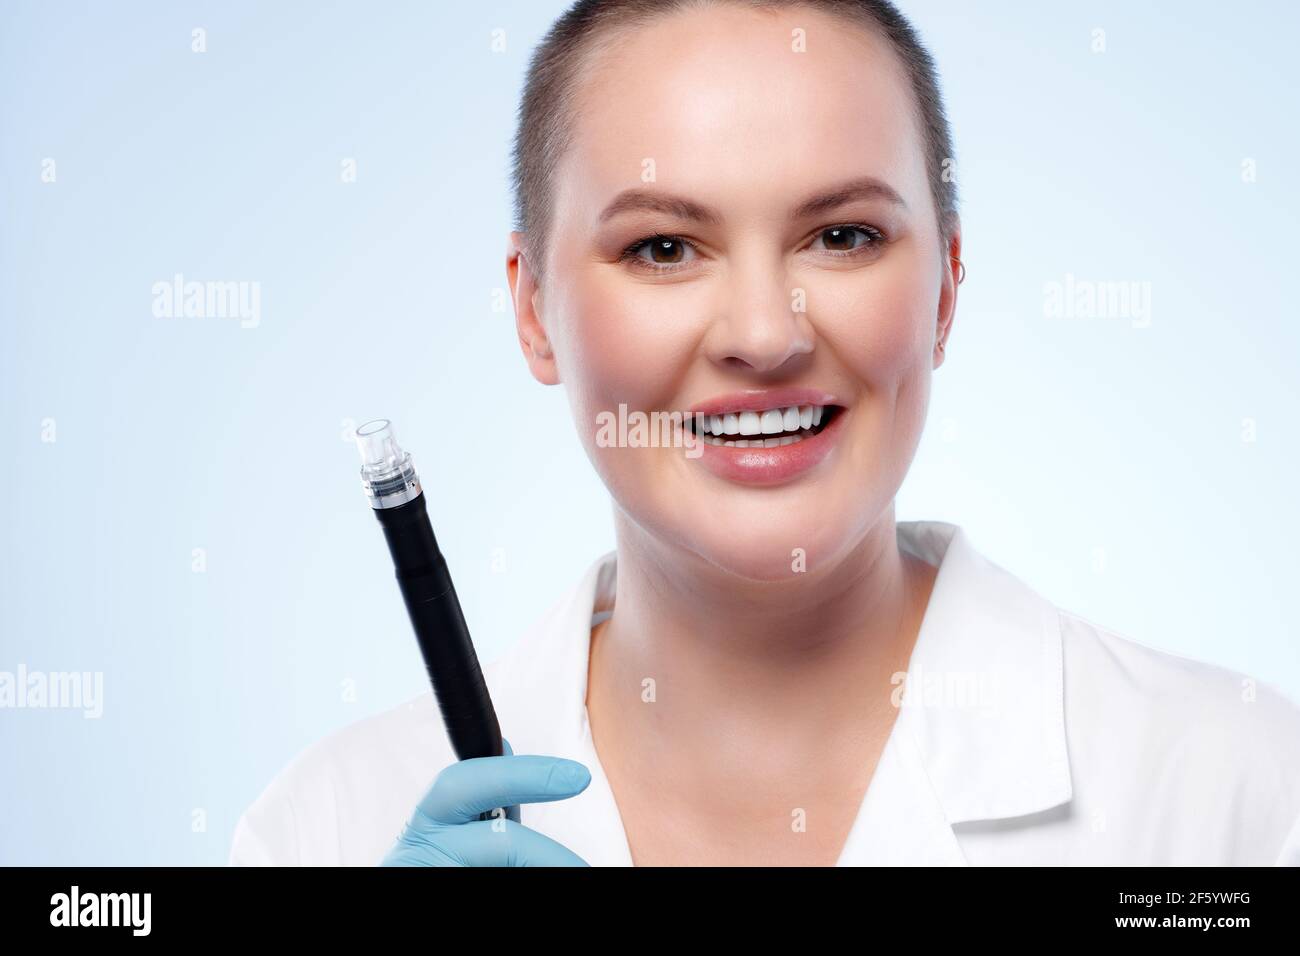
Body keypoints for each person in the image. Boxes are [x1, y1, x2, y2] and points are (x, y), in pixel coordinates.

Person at [230, 0, 1300, 866]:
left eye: (841, 236)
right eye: (661, 247)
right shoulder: (327, 825)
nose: (761, 333)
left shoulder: (1241, 793)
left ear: (945, 289)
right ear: (531, 309)